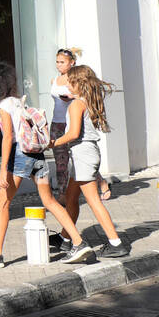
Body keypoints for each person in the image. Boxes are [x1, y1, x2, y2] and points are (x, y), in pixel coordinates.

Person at [0, 64, 88, 269]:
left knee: (2, 202)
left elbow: (8, 137)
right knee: (50, 201)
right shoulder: (18, 101)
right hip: (36, 152)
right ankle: (78, 243)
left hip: (20, 154)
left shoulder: (3, 106)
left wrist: (2, 171)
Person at [49, 66, 126, 262]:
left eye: (70, 82)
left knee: (93, 200)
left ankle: (116, 243)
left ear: (79, 84)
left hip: (82, 152)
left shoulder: (76, 105)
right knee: (71, 196)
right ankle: (65, 238)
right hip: (86, 153)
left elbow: (73, 133)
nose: (67, 84)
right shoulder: (86, 101)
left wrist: (52, 143)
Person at [50, 49, 112, 203]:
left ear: (72, 62)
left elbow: (85, 99)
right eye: (57, 62)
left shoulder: (76, 81)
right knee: (61, 161)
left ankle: (99, 181)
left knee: (77, 159)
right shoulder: (54, 80)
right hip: (57, 122)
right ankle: (62, 194)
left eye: (62, 62)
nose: (59, 65)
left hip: (72, 123)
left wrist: (73, 97)